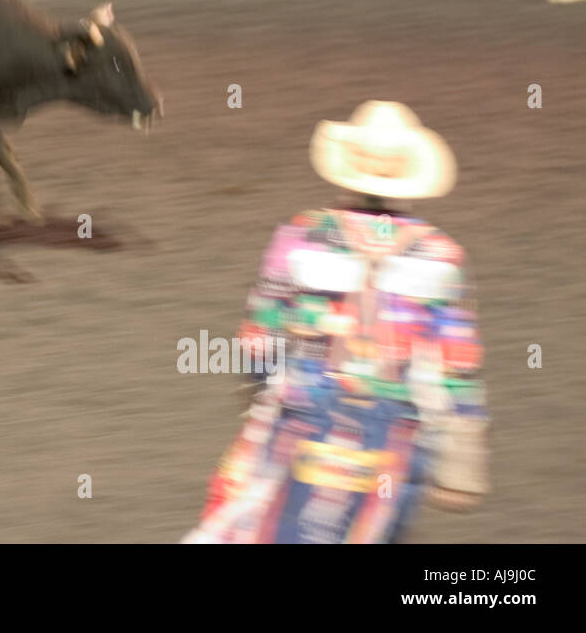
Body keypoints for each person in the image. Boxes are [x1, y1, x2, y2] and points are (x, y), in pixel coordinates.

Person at [184, 101, 489, 543]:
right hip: (393, 434)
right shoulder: (442, 255)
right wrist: (462, 467)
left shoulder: (302, 236)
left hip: (305, 417)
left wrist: (258, 398)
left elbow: (259, 338)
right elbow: (458, 368)